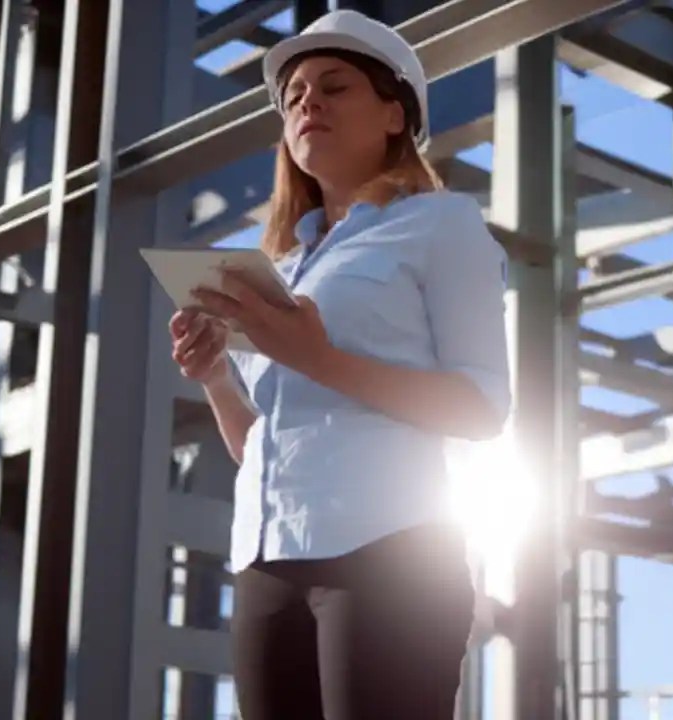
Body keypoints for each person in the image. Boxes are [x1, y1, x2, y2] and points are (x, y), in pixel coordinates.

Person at [167, 9, 511, 719]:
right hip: (267, 564)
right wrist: (216, 379)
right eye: (294, 97)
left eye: (333, 87)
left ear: (394, 115)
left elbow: (483, 408)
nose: (308, 104)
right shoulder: (278, 269)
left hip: (392, 556)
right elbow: (263, 447)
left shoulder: (442, 225)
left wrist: (317, 358)